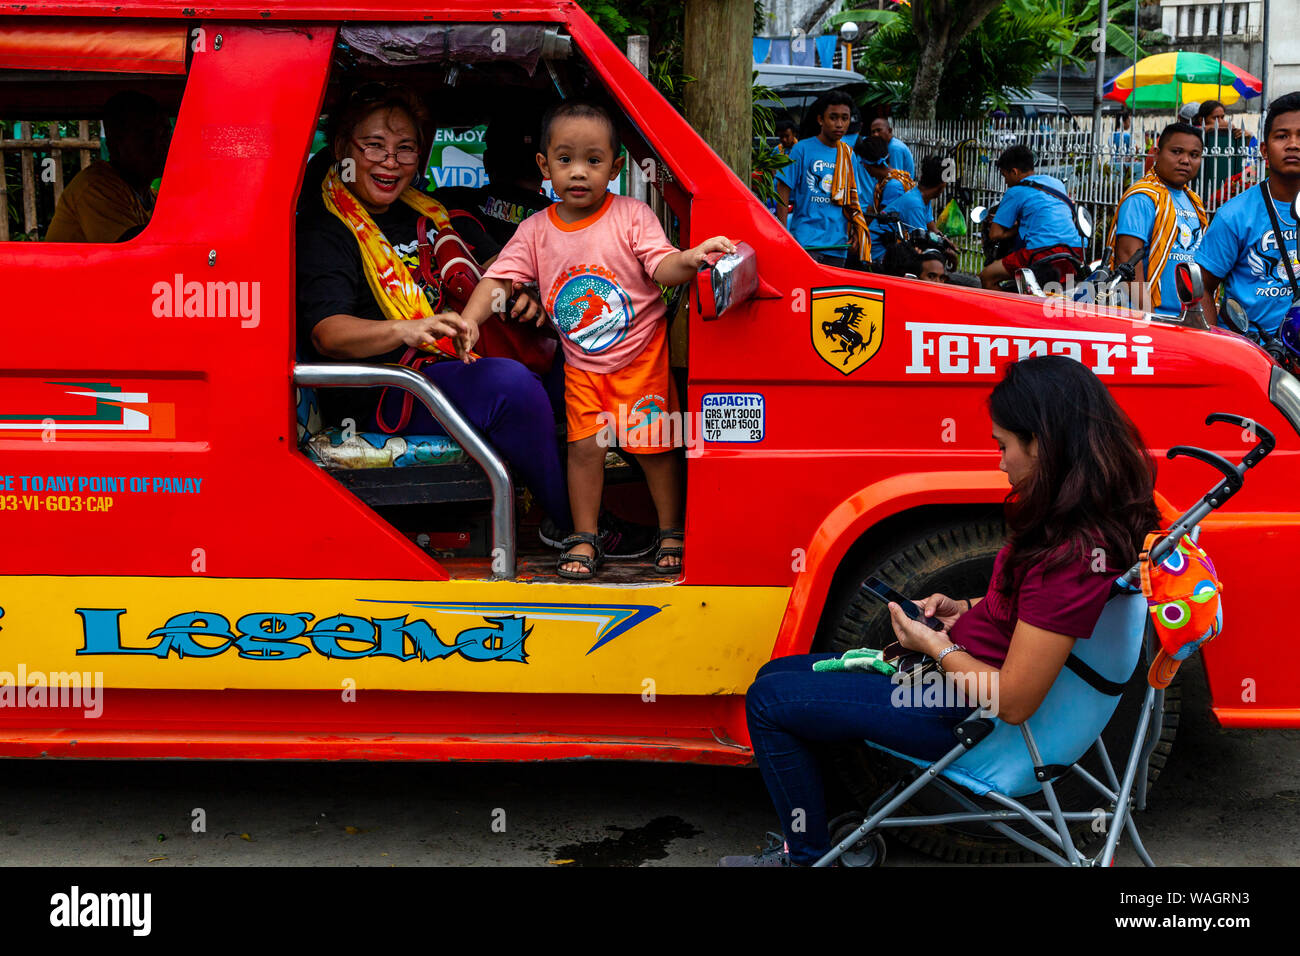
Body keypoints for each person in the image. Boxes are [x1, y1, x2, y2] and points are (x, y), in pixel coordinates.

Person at [722, 355, 1160, 866]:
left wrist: (935, 643)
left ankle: (807, 856)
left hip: (966, 714)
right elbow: (1037, 618)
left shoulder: (1069, 559)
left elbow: (1013, 701)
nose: (999, 462)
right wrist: (965, 609)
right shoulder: (1091, 528)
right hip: (957, 690)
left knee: (771, 701)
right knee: (781, 675)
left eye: (1003, 445)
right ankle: (825, 830)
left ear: (1042, 444)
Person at [461, 101, 735, 578]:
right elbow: (498, 281)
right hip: (582, 365)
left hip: (641, 360)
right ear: (544, 165)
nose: (579, 172)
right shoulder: (534, 231)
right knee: (584, 450)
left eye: (593, 160)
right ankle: (584, 535)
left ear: (614, 165)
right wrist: (468, 320)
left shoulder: (631, 215)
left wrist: (691, 258)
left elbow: (662, 265)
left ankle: (671, 528)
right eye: (565, 160)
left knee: (655, 449)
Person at [294, 83, 575, 542]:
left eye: (405, 148)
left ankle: (614, 507)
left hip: (457, 362)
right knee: (509, 387)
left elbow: (497, 272)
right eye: (374, 147)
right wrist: (409, 327)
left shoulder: (436, 214)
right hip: (389, 392)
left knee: (582, 362)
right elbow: (329, 334)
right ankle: (571, 528)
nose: (390, 161)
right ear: (344, 148)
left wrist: (523, 298)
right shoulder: (328, 230)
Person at [1196, 91, 1300, 337]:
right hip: (1253, 356)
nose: (1293, 144)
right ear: (1264, 149)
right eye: (1282, 136)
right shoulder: (1234, 215)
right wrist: (1220, 347)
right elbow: (1201, 289)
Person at [1107, 122, 1207, 317]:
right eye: (1176, 152)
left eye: (1193, 155)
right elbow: (1128, 260)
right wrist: (1148, 319)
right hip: (1153, 320)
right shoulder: (1142, 198)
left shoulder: (1193, 202)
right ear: (1156, 153)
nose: (1185, 160)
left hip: (1184, 318)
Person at [45, 91, 171, 243]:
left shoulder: (151, 197)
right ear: (116, 145)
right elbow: (134, 249)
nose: (163, 145)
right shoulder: (94, 187)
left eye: (165, 135)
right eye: (148, 136)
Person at [774, 91, 867, 266]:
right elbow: (783, 188)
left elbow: (852, 198)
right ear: (820, 120)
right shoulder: (801, 149)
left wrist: (856, 229)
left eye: (844, 118)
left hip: (838, 245)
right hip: (805, 244)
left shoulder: (848, 154)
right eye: (833, 117)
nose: (839, 124)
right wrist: (783, 232)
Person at [979, 144, 1083, 289]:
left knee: (987, 277)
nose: (1006, 182)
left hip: (1041, 252)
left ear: (1014, 172)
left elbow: (995, 234)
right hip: (1074, 251)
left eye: (1005, 176)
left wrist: (1015, 230)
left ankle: (1005, 311)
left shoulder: (1015, 191)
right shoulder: (1056, 183)